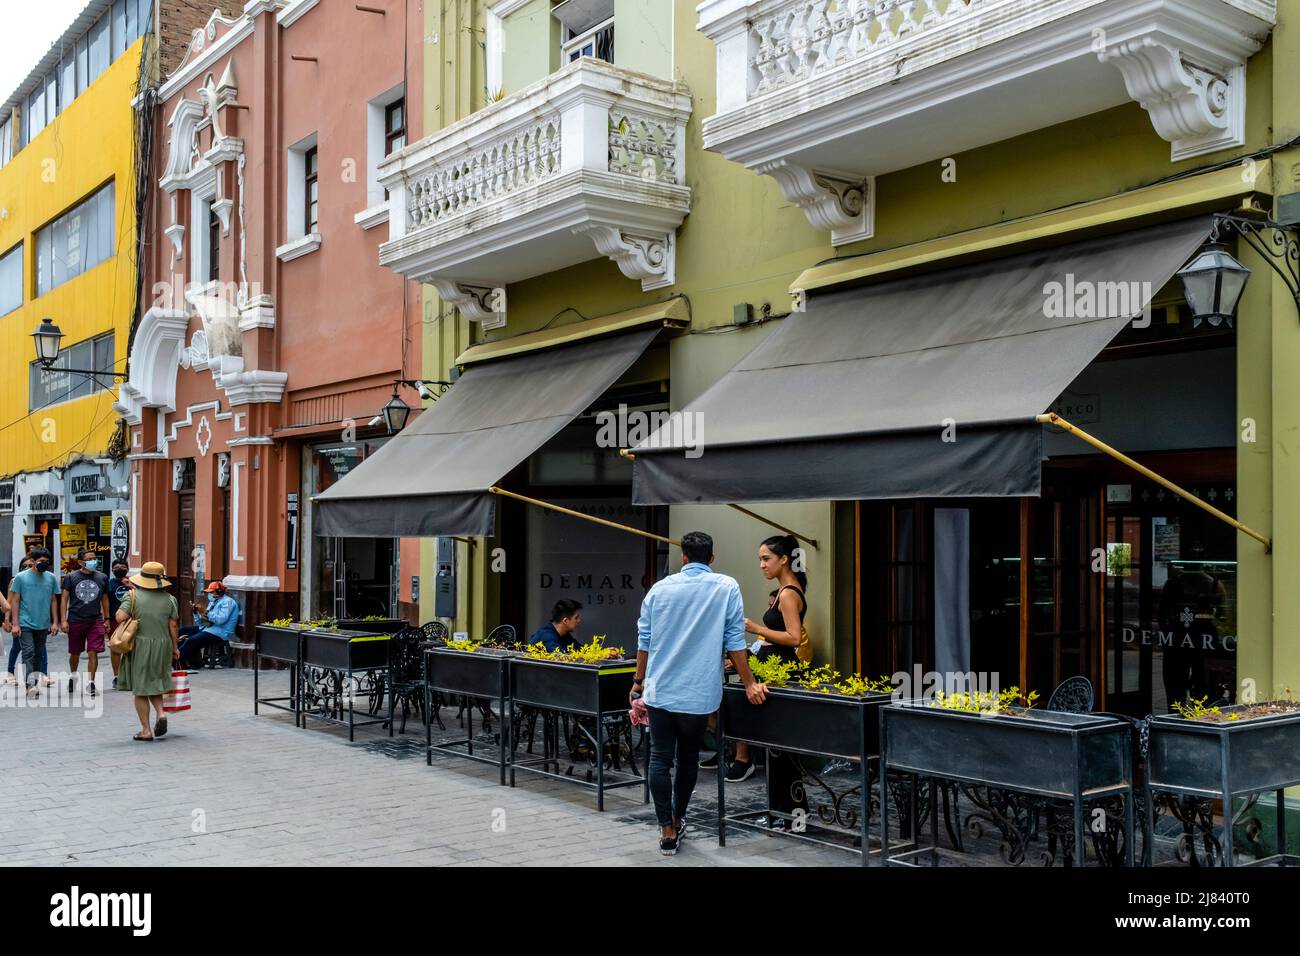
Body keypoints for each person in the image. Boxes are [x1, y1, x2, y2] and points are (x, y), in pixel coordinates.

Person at [633, 530, 767, 855]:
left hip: (659, 688)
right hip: (697, 692)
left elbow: (644, 641)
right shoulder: (726, 587)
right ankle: (678, 818)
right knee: (687, 758)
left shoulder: (660, 589)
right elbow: (735, 641)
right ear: (711, 558)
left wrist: (638, 683)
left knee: (661, 758)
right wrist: (749, 682)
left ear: (682, 558)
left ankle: (667, 827)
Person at [728, 535, 811, 789]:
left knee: (780, 746)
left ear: (784, 560)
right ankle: (782, 815)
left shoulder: (787, 594)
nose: (762, 565)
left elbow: (794, 637)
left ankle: (789, 815)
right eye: (760, 560)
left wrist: (756, 627)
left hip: (781, 672)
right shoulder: (785, 590)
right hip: (771, 668)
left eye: (766, 559)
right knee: (773, 745)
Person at [115, 561, 180, 741]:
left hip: (140, 645)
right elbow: (173, 625)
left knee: (141, 689)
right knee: (155, 681)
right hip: (164, 645)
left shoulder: (132, 596)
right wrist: (175, 648)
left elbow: (120, 617)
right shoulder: (170, 599)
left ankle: (145, 730)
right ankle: (161, 714)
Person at [7, 549, 62, 699]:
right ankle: (30, 684)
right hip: (25, 622)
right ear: (33, 560)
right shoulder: (20, 577)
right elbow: (15, 601)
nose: (43, 564)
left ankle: (35, 681)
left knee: (38, 654)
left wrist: (55, 622)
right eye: (40, 561)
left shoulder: (50, 578)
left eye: (46, 562)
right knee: (28, 652)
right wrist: (15, 624)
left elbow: (53, 600)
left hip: (43, 623)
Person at [62, 548, 110, 697]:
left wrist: (106, 618)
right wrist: (63, 620)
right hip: (76, 618)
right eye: (89, 559)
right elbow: (64, 599)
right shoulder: (71, 577)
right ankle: (74, 674)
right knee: (75, 652)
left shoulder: (102, 577)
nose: (93, 561)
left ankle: (91, 682)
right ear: (81, 562)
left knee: (93, 651)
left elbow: (105, 598)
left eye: (94, 558)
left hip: (95, 619)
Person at [177, 580, 239, 668]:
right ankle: (194, 662)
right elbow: (202, 623)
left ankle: (176, 659)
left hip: (220, 632)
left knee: (192, 640)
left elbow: (221, 620)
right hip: (207, 628)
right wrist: (196, 613)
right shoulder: (213, 602)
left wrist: (205, 611)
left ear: (219, 591)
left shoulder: (228, 602)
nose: (210, 595)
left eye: (211, 592)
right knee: (182, 631)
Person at [3, 557, 45, 685]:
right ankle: (10, 673)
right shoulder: (16, 580)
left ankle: (42, 674)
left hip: (37, 620)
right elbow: (9, 602)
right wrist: (7, 620)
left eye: (30, 565)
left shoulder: (41, 579)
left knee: (40, 650)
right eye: (24, 566)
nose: (27, 568)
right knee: (18, 647)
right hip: (21, 620)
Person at [106, 559, 134, 689]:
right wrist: (105, 619)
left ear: (127, 569)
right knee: (116, 648)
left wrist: (131, 586)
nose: (119, 569)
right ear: (112, 570)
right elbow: (104, 602)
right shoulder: (108, 584)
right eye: (116, 567)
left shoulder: (133, 582)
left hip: (131, 620)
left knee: (131, 648)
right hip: (114, 620)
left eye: (122, 567)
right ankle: (117, 676)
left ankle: (130, 675)